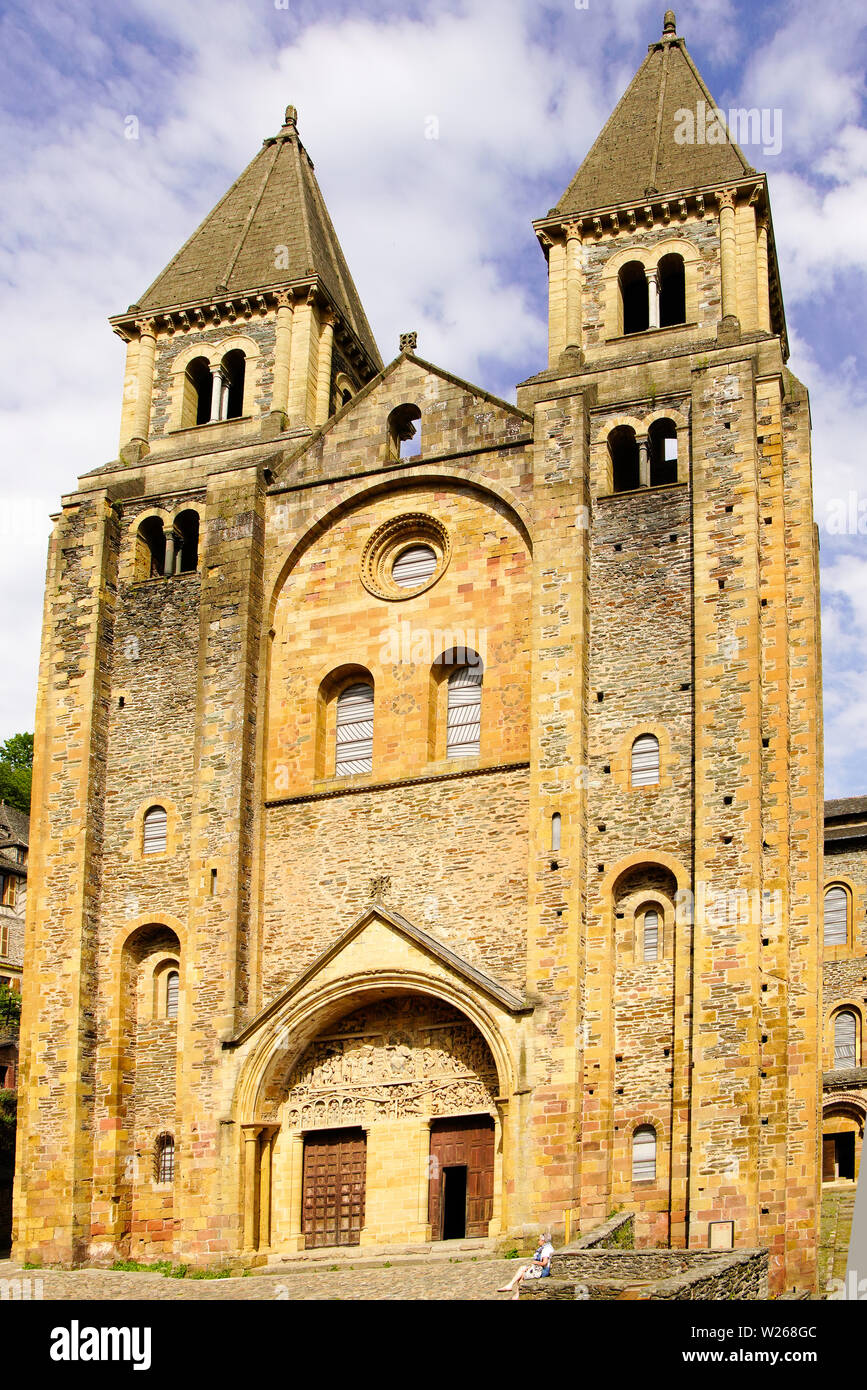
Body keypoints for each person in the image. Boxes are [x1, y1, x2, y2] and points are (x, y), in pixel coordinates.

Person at [498, 1233, 555, 1298]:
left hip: (543, 1271)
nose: (538, 1241)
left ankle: (516, 1294)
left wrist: (535, 1262)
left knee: (522, 1276)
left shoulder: (546, 1249)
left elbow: (544, 1263)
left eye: (539, 1240)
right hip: (539, 1268)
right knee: (522, 1268)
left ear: (543, 1241)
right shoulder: (546, 1247)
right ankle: (512, 1288)